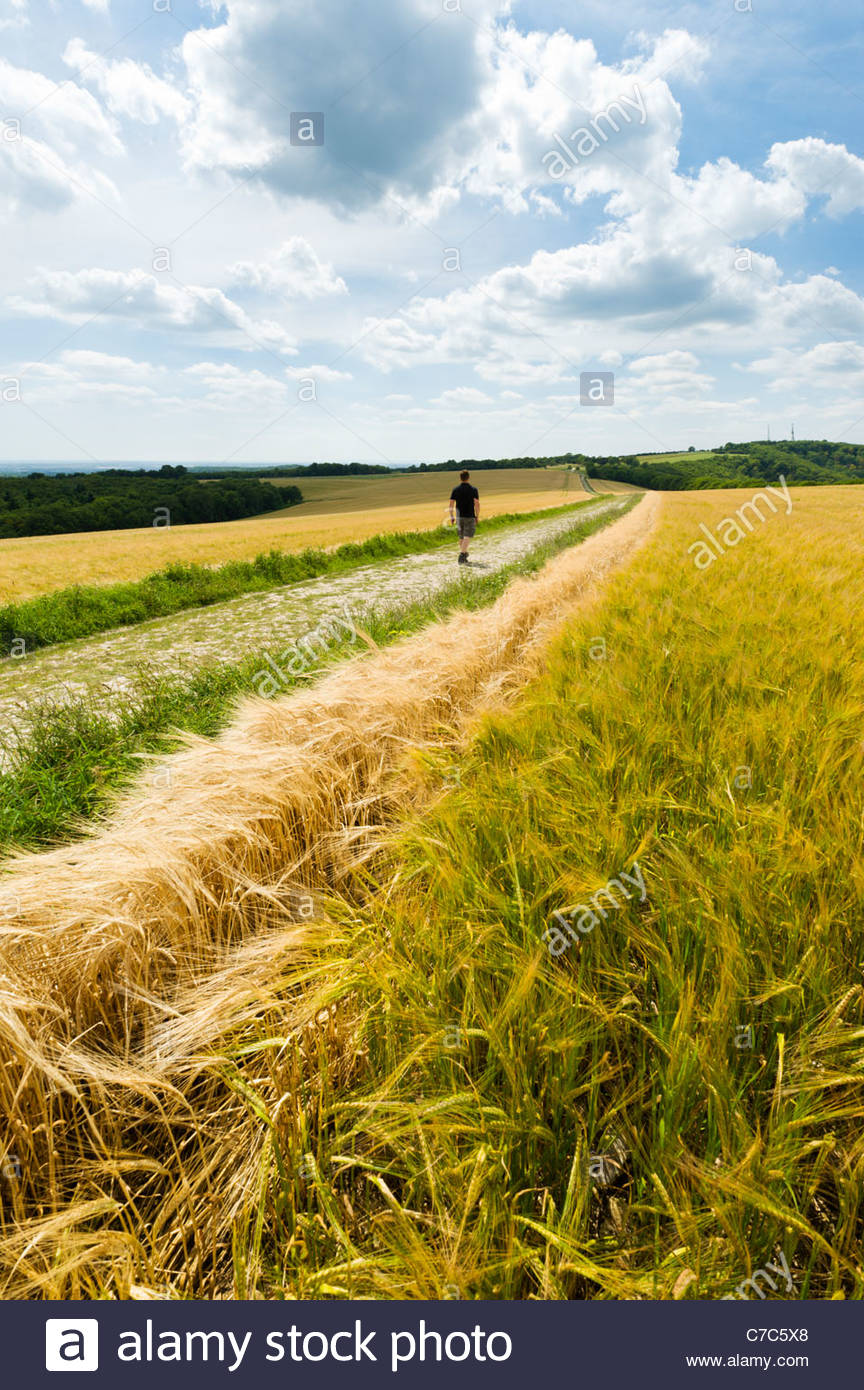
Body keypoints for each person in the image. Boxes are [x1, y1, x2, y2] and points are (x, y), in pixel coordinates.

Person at [448, 469, 480, 565]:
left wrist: (451, 516)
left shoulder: (455, 490)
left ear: (460, 478)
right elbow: (477, 504)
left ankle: (464, 554)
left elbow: (451, 504)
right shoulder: (473, 490)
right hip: (469, 515)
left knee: (461, 537)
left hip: (459, 516)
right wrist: (477, 515)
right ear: (468, 478)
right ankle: (462, 555)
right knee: (467, 536)